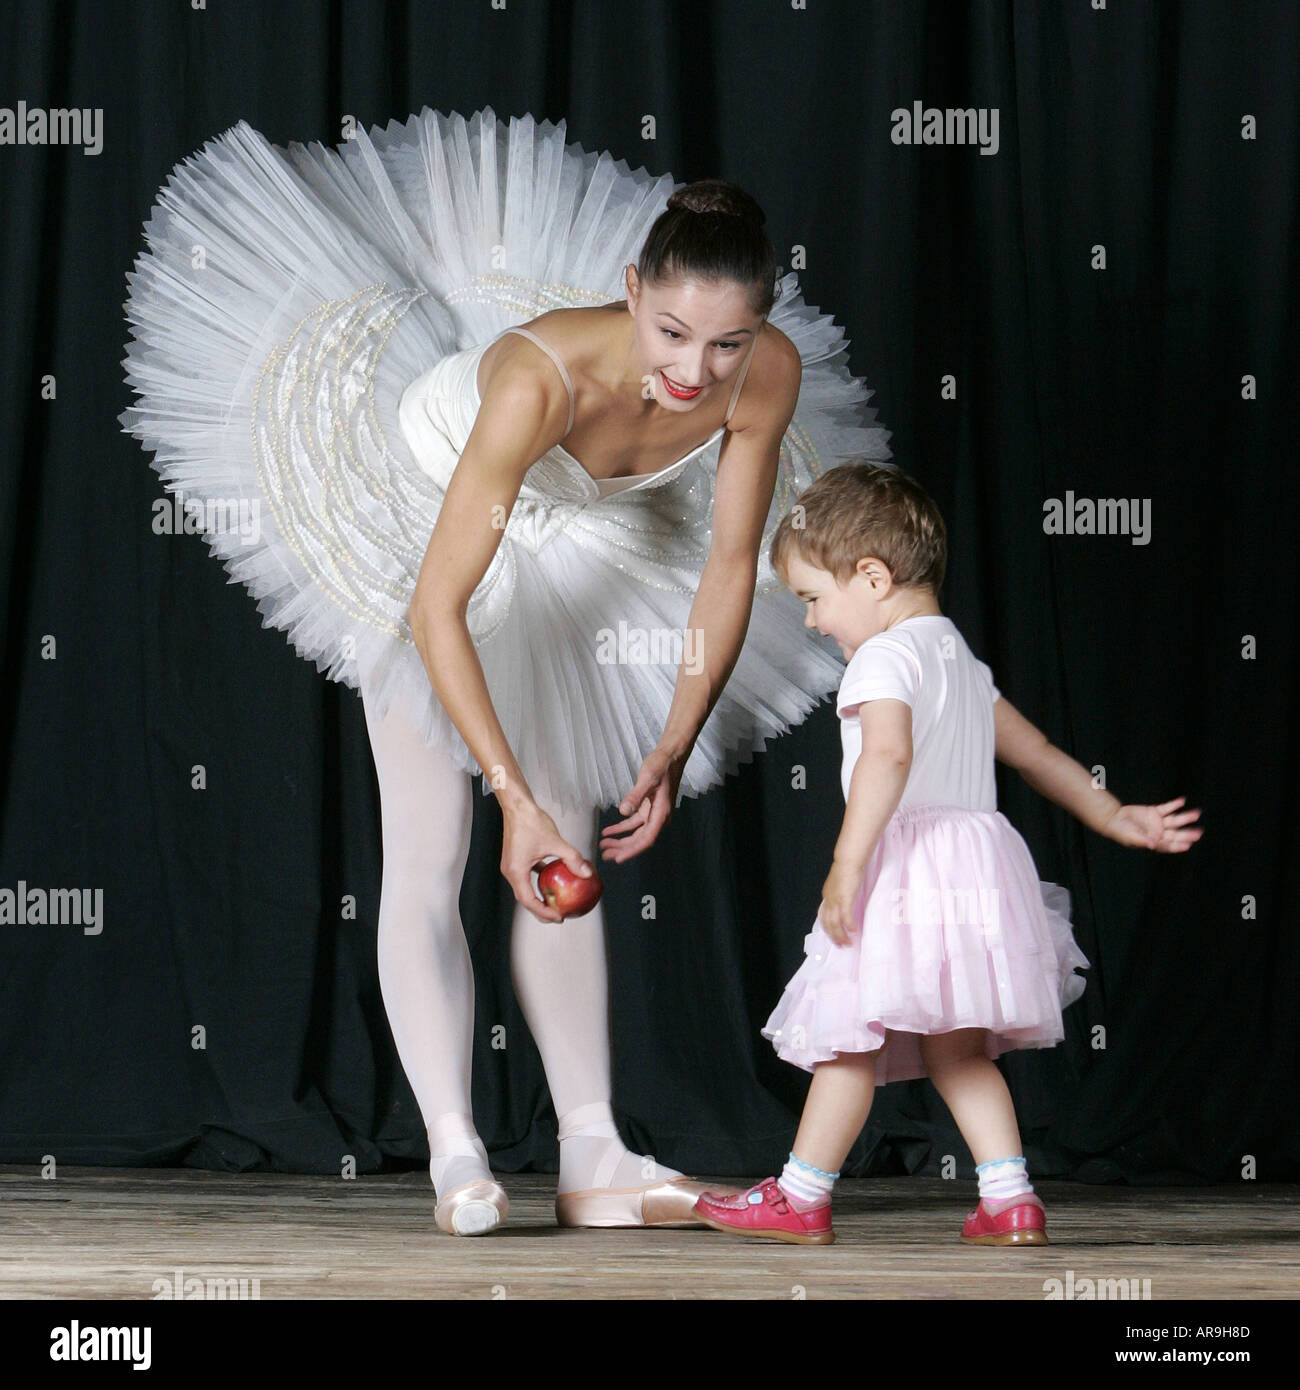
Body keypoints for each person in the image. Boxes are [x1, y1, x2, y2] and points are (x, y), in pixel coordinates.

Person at [118, 108, 891, 1235]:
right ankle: (455, 1151)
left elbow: (727, 565)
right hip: (425, 523)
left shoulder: (758, 376)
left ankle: (592, 1148)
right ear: (631, 291)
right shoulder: (538, 380)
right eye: (672, 333)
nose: (694, 371)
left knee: (563, 857)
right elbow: (435, 605)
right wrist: (510, 794)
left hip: (572, 547)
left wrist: (673, 740)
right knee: (438, 844)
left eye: (724, 344)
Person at [694, 463, 1204, 1245]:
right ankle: (1011, 1199)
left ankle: (800, 1195)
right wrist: (1111, 812)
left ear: (873, 576)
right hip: (977, 870)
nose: (812, 621)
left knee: (846, 1036)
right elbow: (1032, 751)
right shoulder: (958, 658)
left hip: (905, 867)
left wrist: (847, 861)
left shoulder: (883, 658)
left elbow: (886, 758)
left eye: (813, 599)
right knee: (960, 1051)